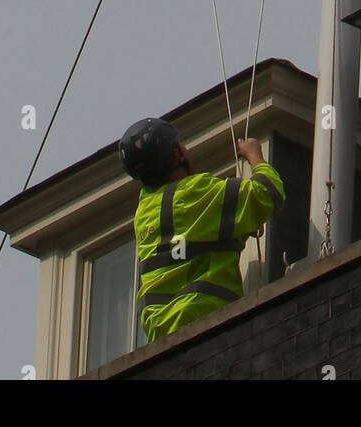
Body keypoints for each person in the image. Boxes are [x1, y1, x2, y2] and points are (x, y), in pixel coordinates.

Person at [118, 116, 286, 342]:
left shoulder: (144, 214)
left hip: (161, 338)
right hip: (207, 322)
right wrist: (254, 155)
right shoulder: (198, 192)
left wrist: (231, 235)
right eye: (179, 144)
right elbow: (268, 193)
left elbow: (189, 242)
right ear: (177, 153)